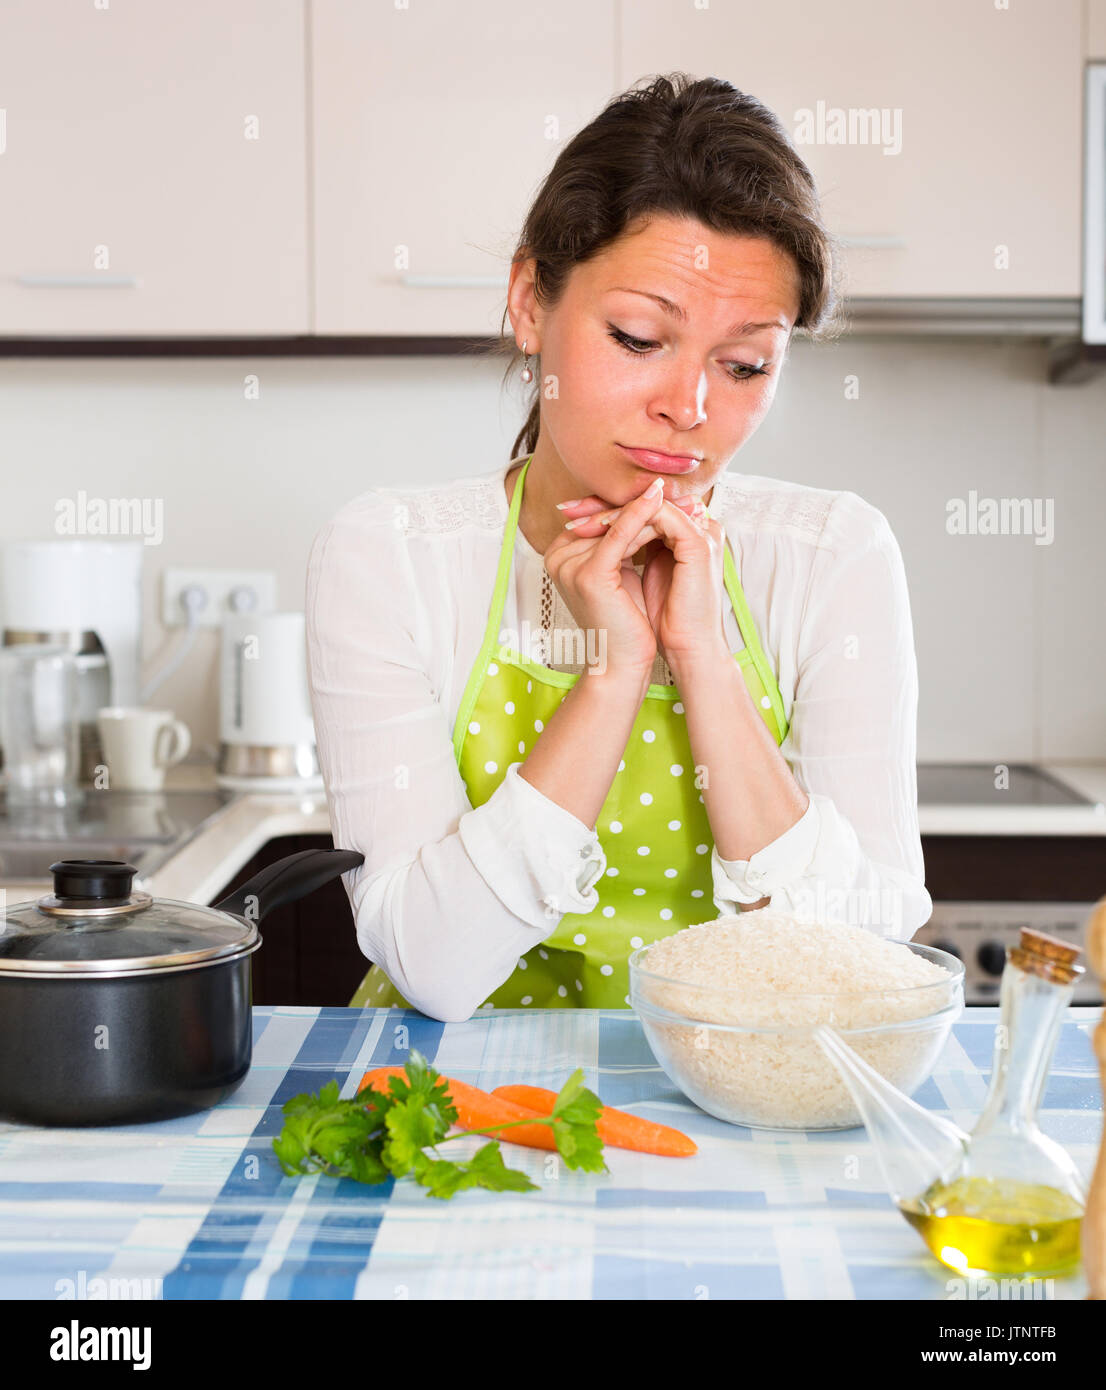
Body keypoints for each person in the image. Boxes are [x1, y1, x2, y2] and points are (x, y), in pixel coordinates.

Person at [305, 72, 932, 1022]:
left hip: (732, 1104)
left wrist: (702, 658)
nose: (690, 409)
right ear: (528, 301)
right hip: (455, 1113)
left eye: (746, 364)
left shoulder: (830, 555)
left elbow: (861, 963)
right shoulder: (391, 556)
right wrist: (613, 675)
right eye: (639, 337)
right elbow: (433, 965)